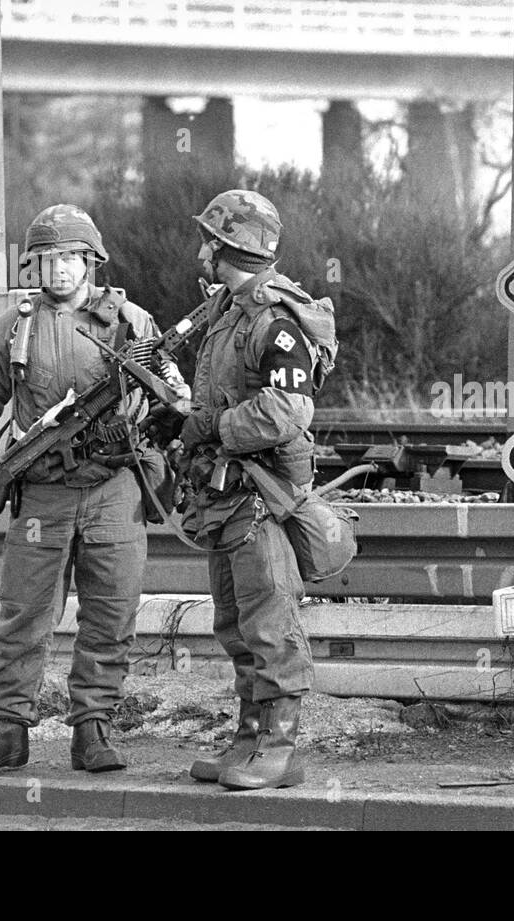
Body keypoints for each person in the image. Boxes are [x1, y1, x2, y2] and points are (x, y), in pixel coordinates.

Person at [0, 204, 187, 776]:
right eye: (48, 258)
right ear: (32, 264)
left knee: (111, 614)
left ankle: (93, 729)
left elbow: (175, 392)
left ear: (90, 261)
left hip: (115, 488)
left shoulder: (132, 323)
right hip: (42, 491)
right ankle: (7, 731)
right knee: (23, 614)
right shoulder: (14, 328)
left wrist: (170, 414)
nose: (60, 269)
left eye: (70, 257)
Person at [161, 189, 337, 791]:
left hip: (259, 498)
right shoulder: (228, 314)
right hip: (224, 498)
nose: (200, 249)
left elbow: (289, 410)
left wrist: (213, 424)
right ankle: (249, 739)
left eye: (207, 239)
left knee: (271, 624)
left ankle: (281, 748)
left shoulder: (273, 319)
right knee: (235, 626)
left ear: (226, 245)